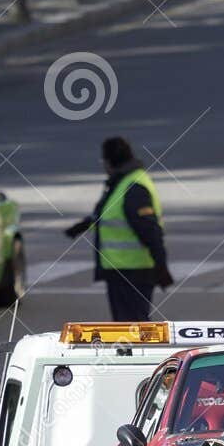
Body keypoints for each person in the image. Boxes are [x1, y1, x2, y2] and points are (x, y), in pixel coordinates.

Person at [64, 136, 173, 321]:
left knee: (134, 328)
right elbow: (108, 214)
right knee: (127, 327)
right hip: (121, 270)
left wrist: (161, 266)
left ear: (109, 162)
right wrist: (81, 226)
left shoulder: (133, 186)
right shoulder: (121, 182)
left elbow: (149, 230)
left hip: (133, 271)